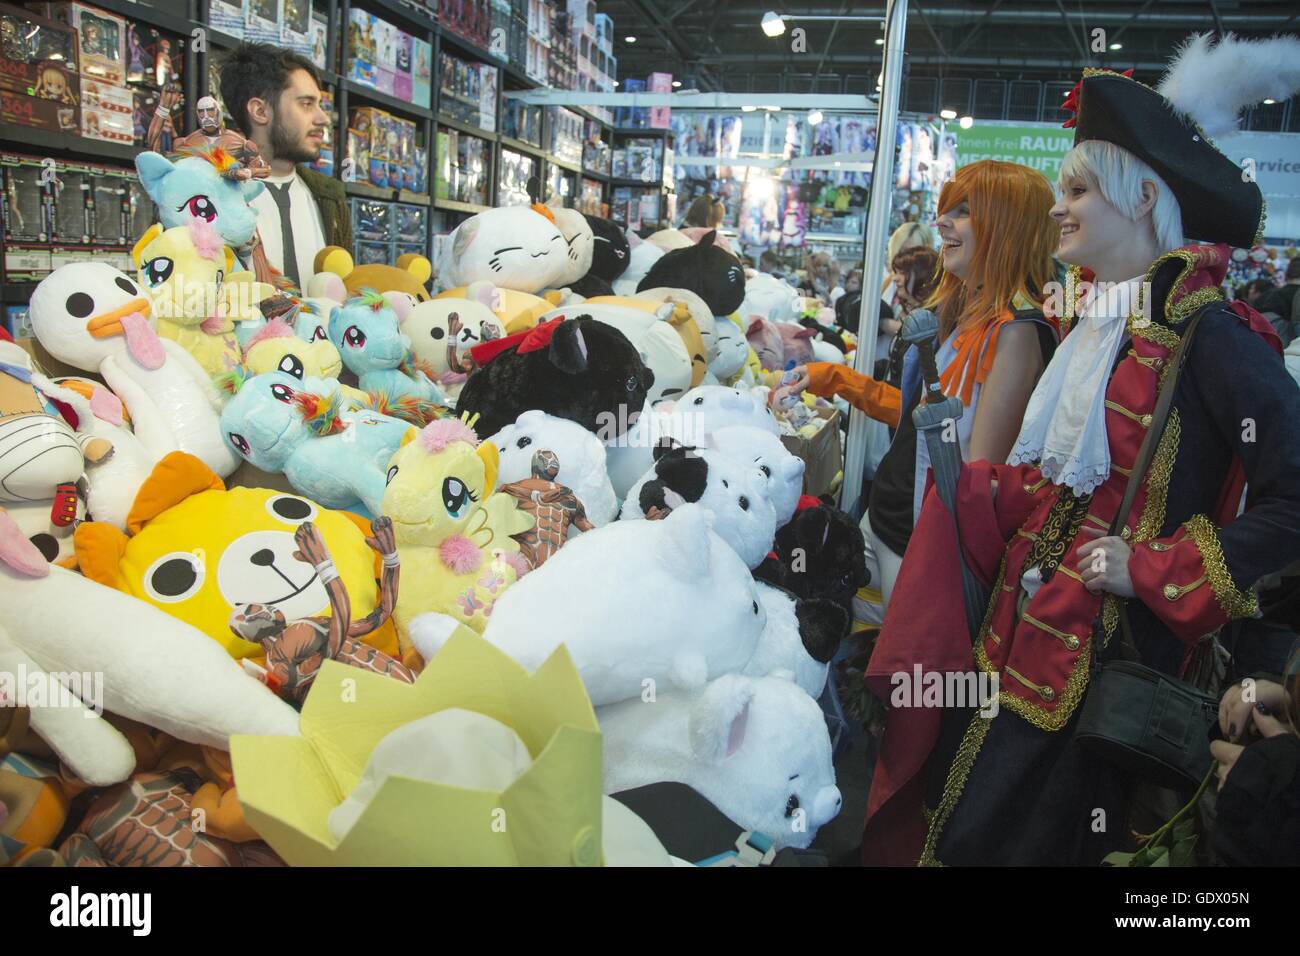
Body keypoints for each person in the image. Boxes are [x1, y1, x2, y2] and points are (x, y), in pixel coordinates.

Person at [863, 38, 1300, 867]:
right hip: (1015, 648)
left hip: (1111, 685)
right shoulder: (1095, 328)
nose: (1058, 207)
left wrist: (1152, 567)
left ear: (1142, 200)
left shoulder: (1212, 337)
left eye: (1077, 189)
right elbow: (1064, 491)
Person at [791, 161, 1059, 608]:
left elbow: (976, 479)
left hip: (922, 541)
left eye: (965, 211)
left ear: (1009, 225)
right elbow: (918, 416)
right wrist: (833, 377)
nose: (942, 223)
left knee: (903, 669)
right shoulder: (968, 313)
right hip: (891, 521)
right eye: (946, 209)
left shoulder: (1015, 330)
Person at [219, 43, 350, 289]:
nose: (323, 119)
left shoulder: (330, 197)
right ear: (260, 111)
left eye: (319, 105)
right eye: (306, 104)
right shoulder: (206, 195)